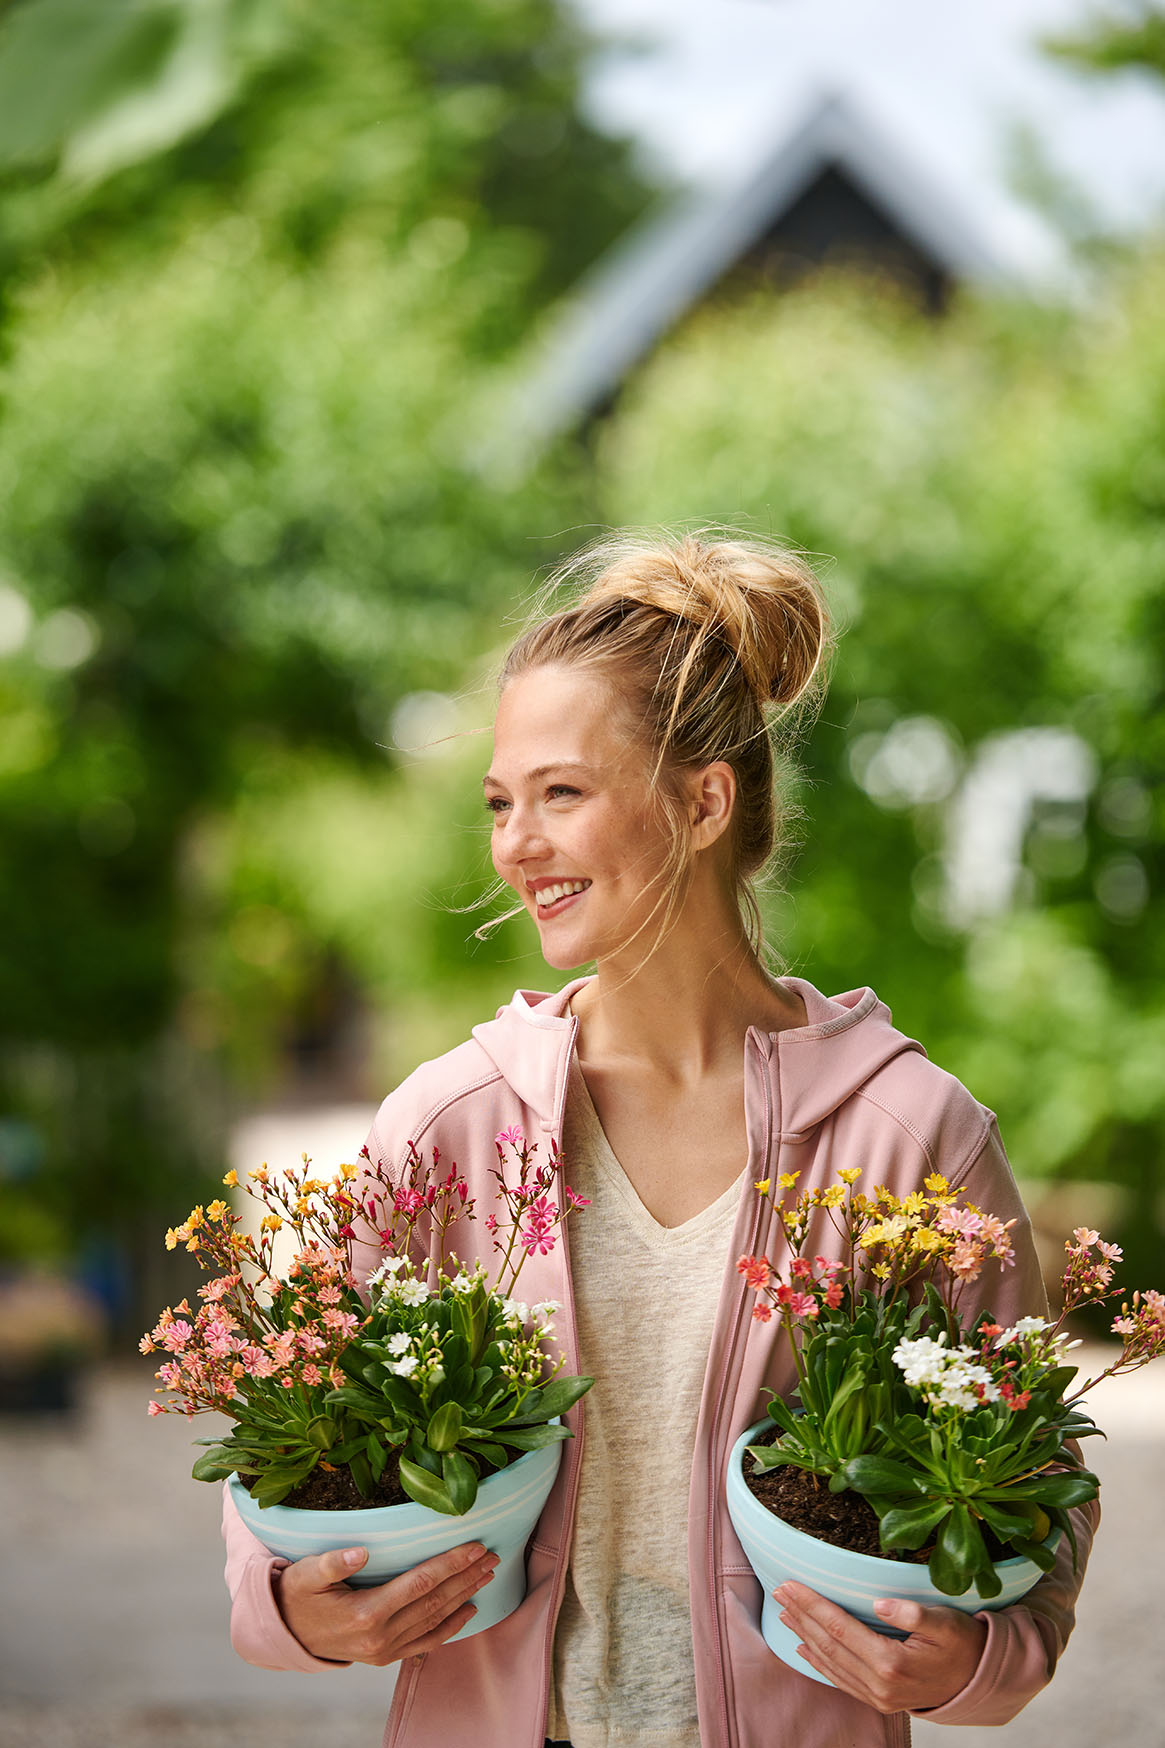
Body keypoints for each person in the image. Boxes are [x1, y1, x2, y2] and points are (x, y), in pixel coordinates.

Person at [222, 532, 1098, 1748]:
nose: (514, 844)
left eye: (561, 793)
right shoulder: (450, 1126)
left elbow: (1036, 1488)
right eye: (499, 802)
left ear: (701, 800)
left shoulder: (909, 1136)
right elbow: (290, 1413)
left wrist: (979, 1658)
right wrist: (294, 1609)